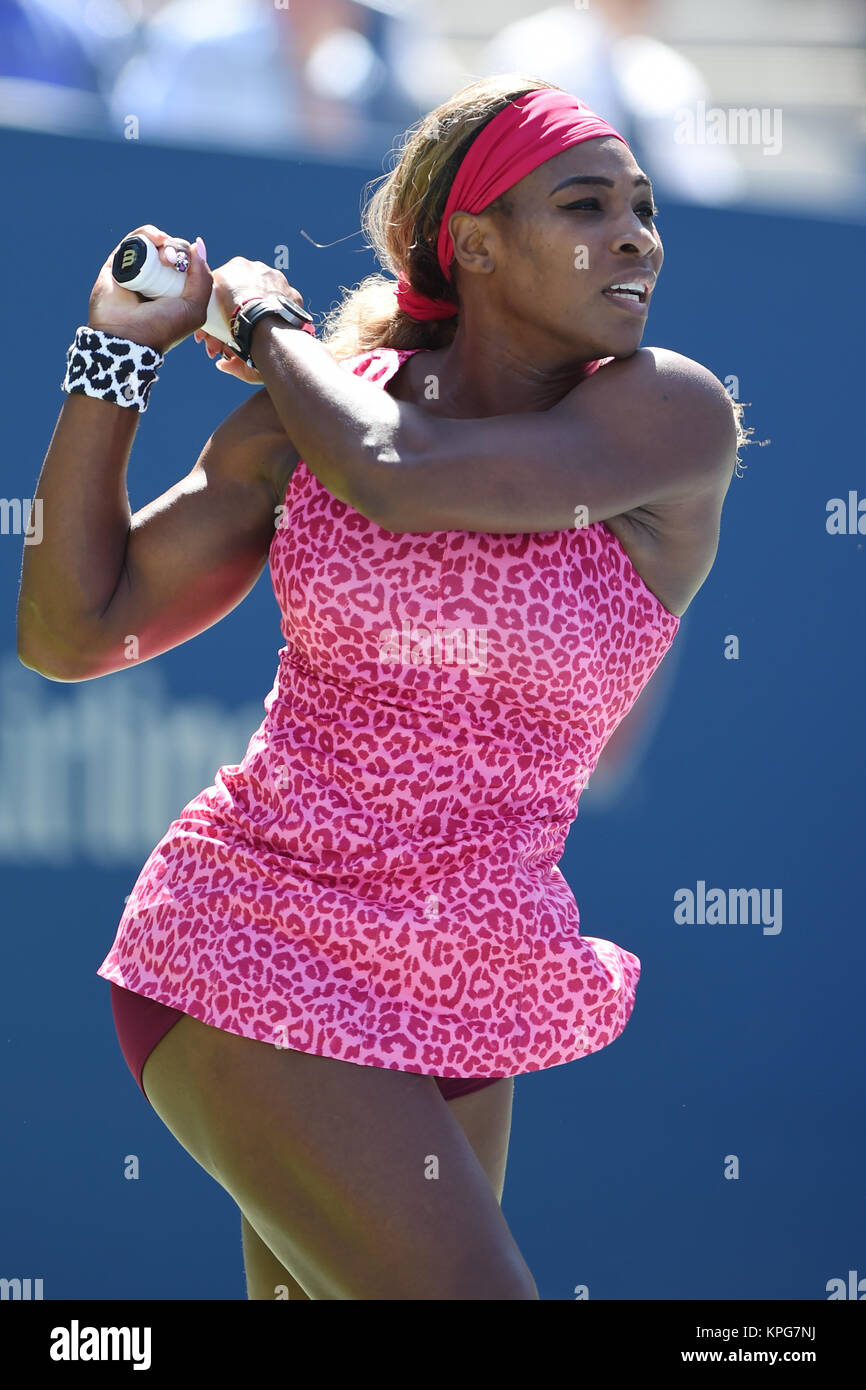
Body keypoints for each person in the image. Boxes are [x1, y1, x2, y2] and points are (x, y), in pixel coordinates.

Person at [18, 75, 747, 1300]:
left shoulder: (673, 415)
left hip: (467, 985)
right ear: (474, 244)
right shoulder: (309, 418)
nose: (634, 237)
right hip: (252, 937)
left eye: (642, 208)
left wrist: (267, 328)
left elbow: (394, 472)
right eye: (585, 205)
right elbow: (73, 630)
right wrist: (118, 354)